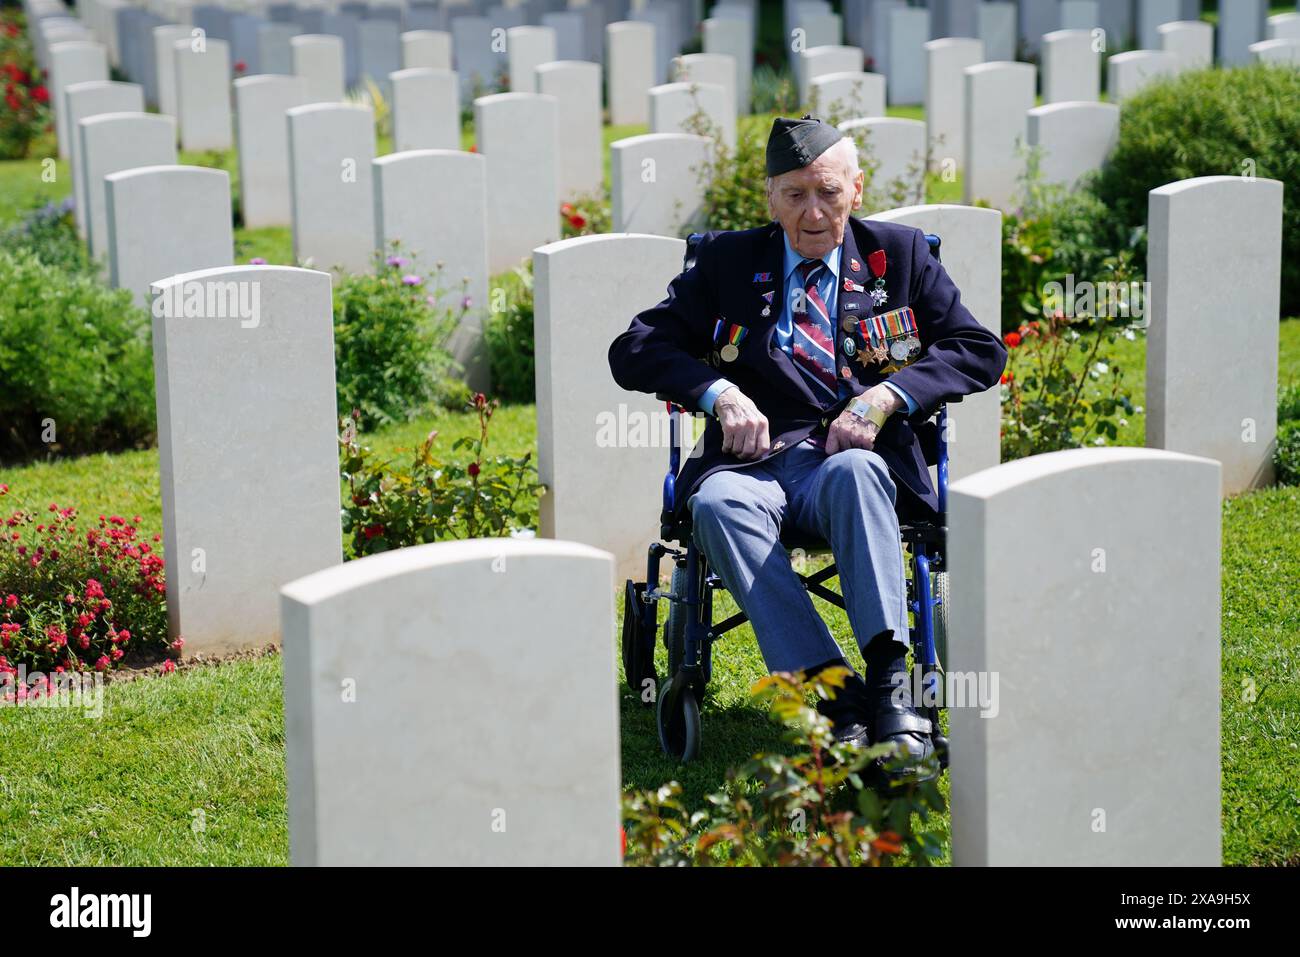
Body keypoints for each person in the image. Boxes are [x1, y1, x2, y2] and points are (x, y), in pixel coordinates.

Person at [608, 115, 1006, 777]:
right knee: (717, 504)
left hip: (852, 463)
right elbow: (636, 348)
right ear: (770, 199)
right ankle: (835, 699)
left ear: (856, 188)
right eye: (794, 194)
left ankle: (889, 688)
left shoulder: (898, 257)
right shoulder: (727, 263)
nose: (812, 212)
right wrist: (716, 393)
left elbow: (978, 350)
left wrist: (886, 397)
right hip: (752, 463)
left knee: (855, 469)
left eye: (827, 191)